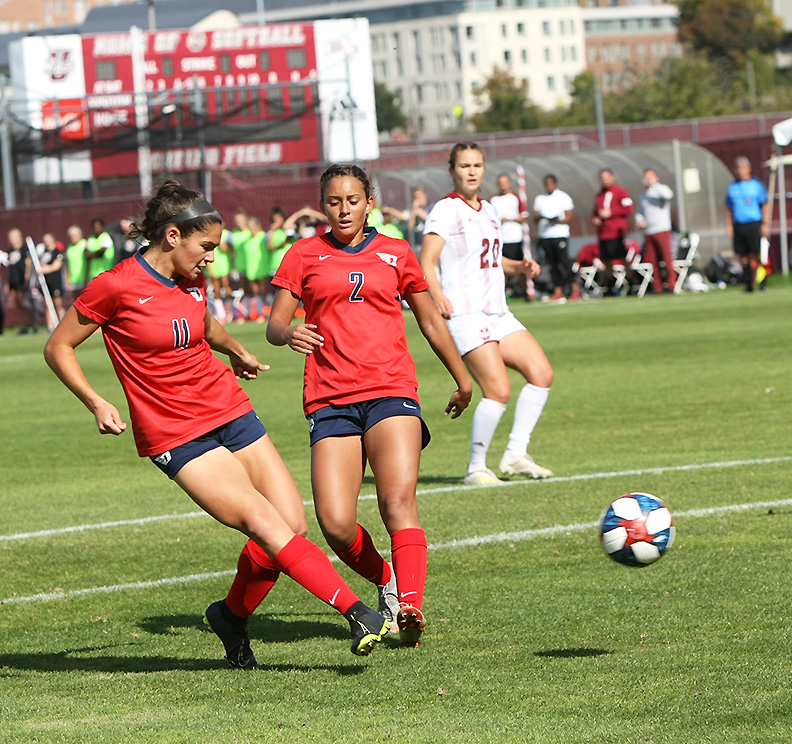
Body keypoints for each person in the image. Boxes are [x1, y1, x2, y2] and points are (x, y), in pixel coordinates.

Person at [43, 180, 390, 668]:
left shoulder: (191, 279)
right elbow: (57, 347)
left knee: (291, 524)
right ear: (172, 237)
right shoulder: (116, 285)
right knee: (264, 522)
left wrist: (236, 349)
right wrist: (96, 402)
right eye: (206, 247)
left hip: (228, 407)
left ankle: (229, 616)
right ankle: (355, 611)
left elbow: (202, 324)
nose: (212, 258)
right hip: (176, 432)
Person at [266, 163, 473, 647]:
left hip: (391, 390)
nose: (343, 210)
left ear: (369, 203)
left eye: (353, 200)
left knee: (396, 502)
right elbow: (275, 325)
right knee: (335, 524)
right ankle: (387, 582)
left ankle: (411, 607)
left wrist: (463, 378)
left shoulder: (396, 252)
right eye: (334, 201)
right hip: (330, 397)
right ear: (323, 205)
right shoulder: (303, 254)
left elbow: (431, 321)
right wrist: (288, 332)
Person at [420, 142, 554, 485]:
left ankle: (515, 455)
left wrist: (519, 266)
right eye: (464, 165)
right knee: (498, 389)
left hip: (497, 311)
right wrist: (437, 295)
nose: (471, 171)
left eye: (477, 165)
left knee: (541, 373)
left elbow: (493, 261)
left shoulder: (490, 210)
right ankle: (476, 468)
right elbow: (427, 261)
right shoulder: (446, 209)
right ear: (452, 171)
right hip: (465, 313)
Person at [725, 156, 770, 293]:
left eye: (743, 167)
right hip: (739, 225)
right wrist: (729, 225)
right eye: (738, 168)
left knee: (757, 254)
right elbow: (728, 207)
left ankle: (762, 282)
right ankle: (748, 284)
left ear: (749, 169)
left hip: (754, 224)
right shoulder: (733, 187)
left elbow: (764, 204)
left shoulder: (756, 185)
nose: (740, 171)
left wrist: (764, 223)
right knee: (743, 255)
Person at [533, 174, 579, 304]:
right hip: (546, 236)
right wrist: (542, 217)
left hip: (560, 234)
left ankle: (575, 289)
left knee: (564, 263)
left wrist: (558, 220)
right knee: (552, 265)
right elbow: (535, 216)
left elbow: (569, 215)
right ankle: (558, 291)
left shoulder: (563, 197)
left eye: (551, 183)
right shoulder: (540, 199)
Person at [591, 168, 634, 295]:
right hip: (603, 234)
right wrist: (596, 219)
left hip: (616, 232)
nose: (604, 180)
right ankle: (610, 285)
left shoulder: (620, 191)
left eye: (606, 177)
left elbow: (628, 208)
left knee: (622, 257)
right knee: (607, 260)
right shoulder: (600, 195)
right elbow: (595, 212)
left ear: (612, 177)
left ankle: (631, 282)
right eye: (602, 178)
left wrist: (611, 213)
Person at [635, 169, 676, 294]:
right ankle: (657, 286)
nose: (647, 180)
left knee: (666, 257)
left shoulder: (661, 189)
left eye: (650, 177)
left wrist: (654, 184)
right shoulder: (643, 195)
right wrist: (640, 220)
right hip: (649, 231)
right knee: (653, 260)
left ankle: (671, 285)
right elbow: (640, 211)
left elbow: (668, 195)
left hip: (662, 228)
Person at [490, 173, 528, 299]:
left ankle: (525, 291)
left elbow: (524, 217)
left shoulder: (515, 198)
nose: (503, 185)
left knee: (519, 264)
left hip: (515, 238)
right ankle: (504, 292)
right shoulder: (493, 200)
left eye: (505, 182)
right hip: (500, 239)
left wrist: (511, 219)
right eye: (501, 182)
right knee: (501, 267)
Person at [7, 227, 37, 334]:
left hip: (22, 281)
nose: (12, 240)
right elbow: (9, 268)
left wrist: (26, 278)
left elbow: (28, 264)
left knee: (25, 304)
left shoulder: (24, 250)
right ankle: (24, 326)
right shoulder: (10, 251)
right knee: (18, 305)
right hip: (13, 281)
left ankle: (34, 325)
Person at [36, 231, 66, 328]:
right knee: (47, 304)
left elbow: (56, 266)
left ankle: (63, 325)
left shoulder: (57, 252)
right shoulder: (43, 254)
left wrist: (44, 269)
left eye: (48, 239)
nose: (47, 241)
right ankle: (50, 326)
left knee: (58, 304)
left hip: (55, 282)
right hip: (46, 282)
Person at [65, 225, 88, 300]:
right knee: (76, 302)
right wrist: (67, 280)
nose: (73, 238)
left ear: (80, 235)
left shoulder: (85, 244)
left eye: (74, 235)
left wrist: (86, 278)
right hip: (73, 280)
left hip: (83, 279)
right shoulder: (69, 247)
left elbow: (89, 262)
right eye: (71, 236)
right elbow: (68, 264)